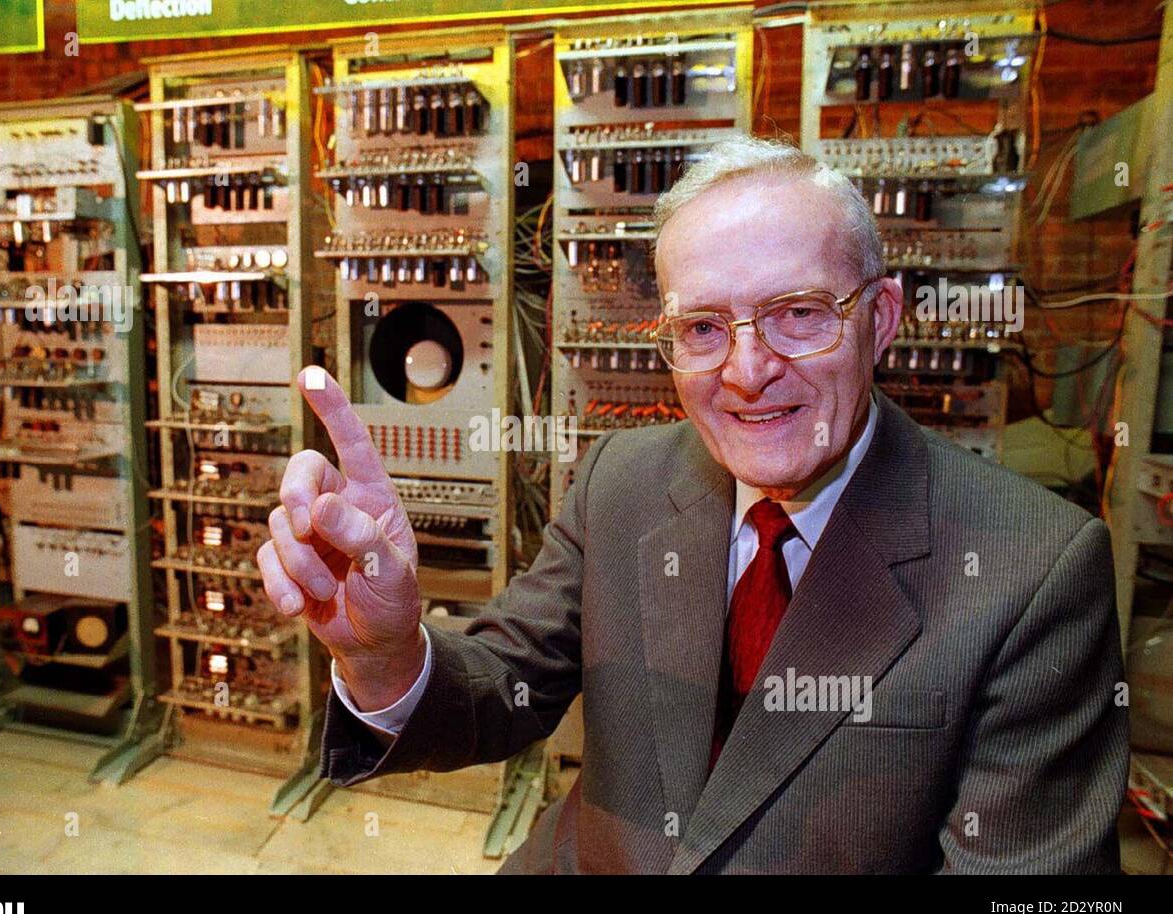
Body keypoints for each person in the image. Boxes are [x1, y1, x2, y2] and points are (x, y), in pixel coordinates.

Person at [257, 134, 1129, 874]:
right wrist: (384, 653)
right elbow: (510, 689)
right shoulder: (623, 480)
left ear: (883, 316)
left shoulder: (1035, 569)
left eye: (798, 313)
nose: (747, 373)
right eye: (703, 328)